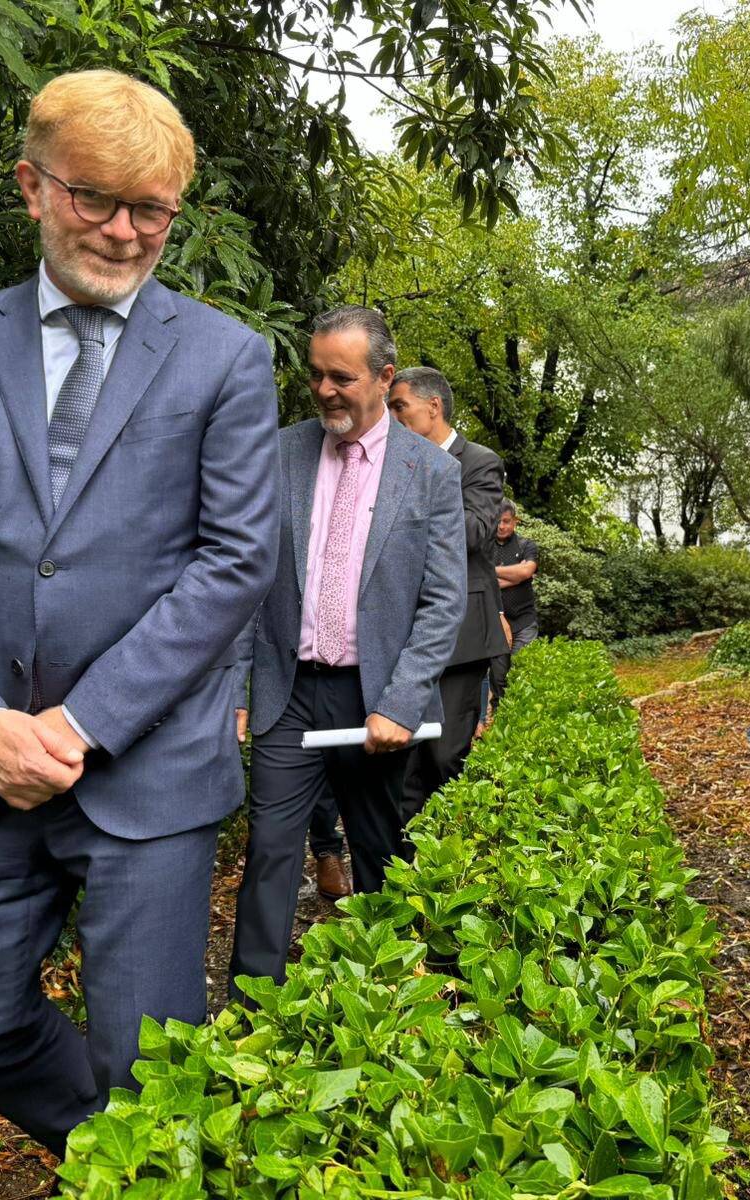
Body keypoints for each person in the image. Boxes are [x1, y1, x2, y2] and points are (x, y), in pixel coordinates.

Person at [0, 70, 281, 1157]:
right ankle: (126, 1159)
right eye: (96, 198)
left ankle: (147, 1165)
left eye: (151, 210)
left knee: (151, 1056)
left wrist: (78, 723)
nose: (123, 230)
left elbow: (234, 561)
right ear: (32, 188)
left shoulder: (228, 358)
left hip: (145, 768)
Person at [230, 306, 465, 986]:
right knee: (270, 855)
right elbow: (245, 580)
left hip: (374, 700)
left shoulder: (428, 473)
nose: (325, 390)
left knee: (379, 851)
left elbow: (443, 600)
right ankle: (252, 1015)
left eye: (342, 376)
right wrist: (238, 687)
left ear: (384, 375)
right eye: (315, 376)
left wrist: (402, 700)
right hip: (286, 692)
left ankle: (388, 1001)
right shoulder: (280, 453)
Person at [387, 366, 507, 820]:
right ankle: (401, 866)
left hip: (461, 636)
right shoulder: (388, 463)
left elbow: (475, 532)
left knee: (443, 756)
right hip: (399, 630)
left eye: (400, 406)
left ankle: (445, 858)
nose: (392, 417)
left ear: (433, 406)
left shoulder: (478, 461)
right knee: (402, 758)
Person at [487, 502, 539, 713]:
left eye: (506, 521)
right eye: (498, 521)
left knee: (521, 674)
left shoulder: (526, 545)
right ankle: (500, 722)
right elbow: (482, 578)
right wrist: (515, 576)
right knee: (498, 678)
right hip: (496, 622)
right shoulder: (484, 547)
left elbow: (526, 572)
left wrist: (493, 572)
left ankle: (522, 723)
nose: (501, 526)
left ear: (515, 522)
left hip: (525, 622)